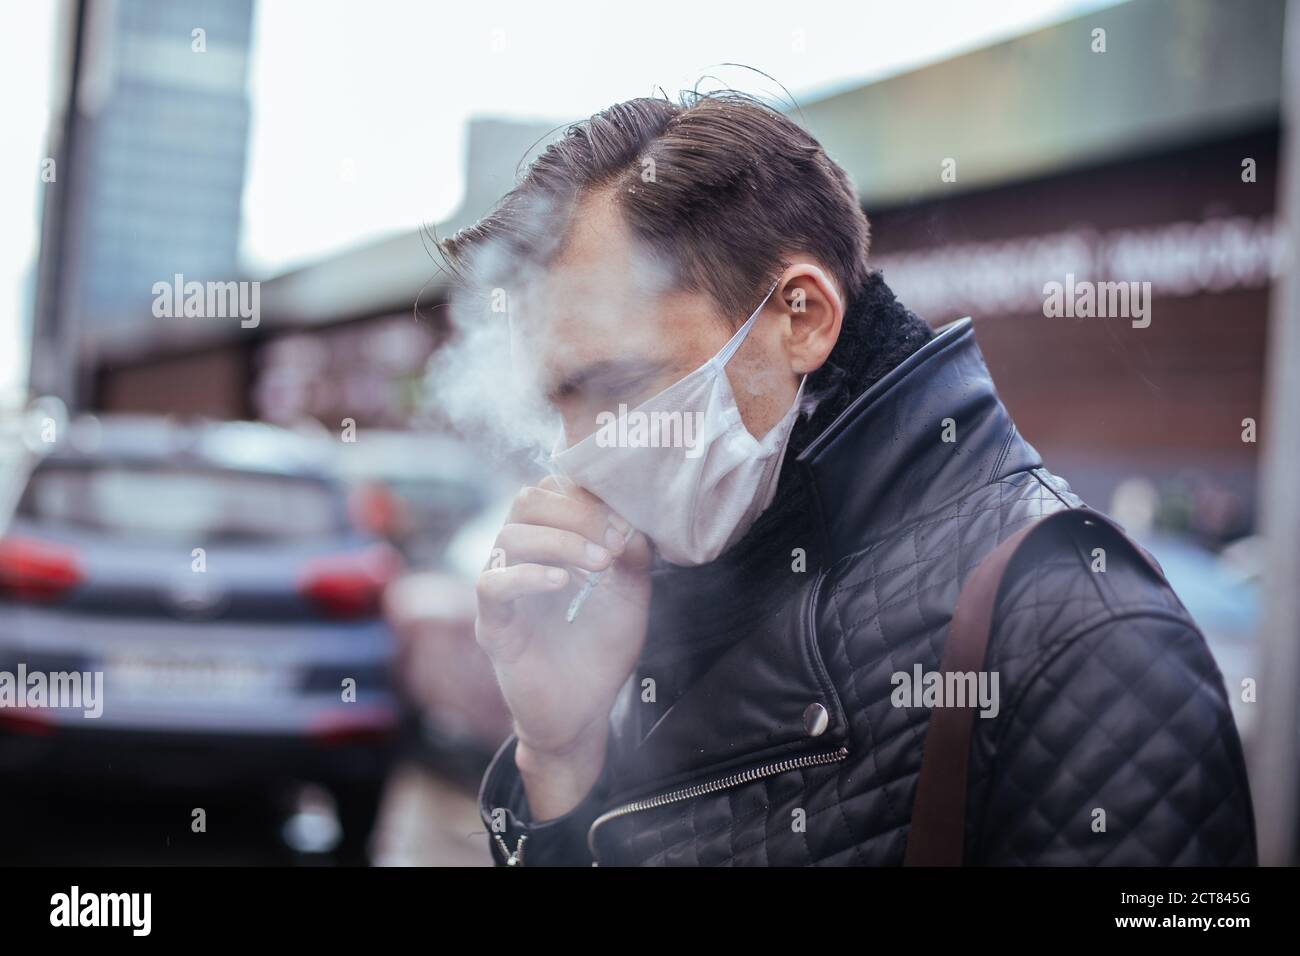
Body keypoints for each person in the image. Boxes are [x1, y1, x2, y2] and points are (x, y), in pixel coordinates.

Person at [440, 92, 1256, 866]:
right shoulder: (659, 593)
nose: (579, 455)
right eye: (561, 409)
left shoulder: (1077, 633)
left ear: (802, 317)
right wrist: (560, 754)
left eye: (617, 386)